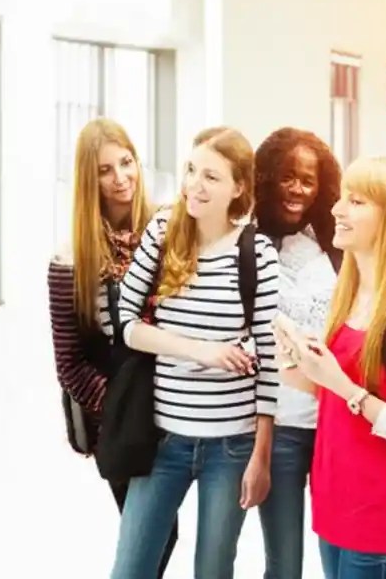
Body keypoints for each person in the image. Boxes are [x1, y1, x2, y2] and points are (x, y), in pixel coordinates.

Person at [110, 127, 280, 579]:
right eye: (190, 171)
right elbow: (126, 324)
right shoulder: (163, 232)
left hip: (232, 446)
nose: (194, 185)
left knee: (212, 570)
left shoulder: (256, 253)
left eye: (211, 176)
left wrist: (261, 456)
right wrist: (200, 351)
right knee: (130, 568)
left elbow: (270, 359)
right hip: (163, 439)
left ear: (238, 187)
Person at [276, 155, 386, 579]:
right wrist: (298, 366)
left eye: (356, 202)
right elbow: (339, 396)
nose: (336, 210)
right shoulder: (350, 297)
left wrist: (343, 385)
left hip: (379, 519)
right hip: (337, 504)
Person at [46, 118, 177, 575]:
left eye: (127, 162)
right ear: (89, 180)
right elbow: (70, 364)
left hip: (178, 410)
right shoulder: (70, 261)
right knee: (149, 534)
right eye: (105, 170)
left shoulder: (168, 235)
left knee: (163, 533)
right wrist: (125, 407)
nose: (121, 178)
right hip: (119, 424)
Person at [252, 128, 342, 579]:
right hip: (280, 425)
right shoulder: (245, 246)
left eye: (308, 180)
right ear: (265, 179)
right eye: (287, 177)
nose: (297, 189)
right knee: (283, 565)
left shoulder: (335, 246)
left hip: (334, 424)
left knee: (341, 559)